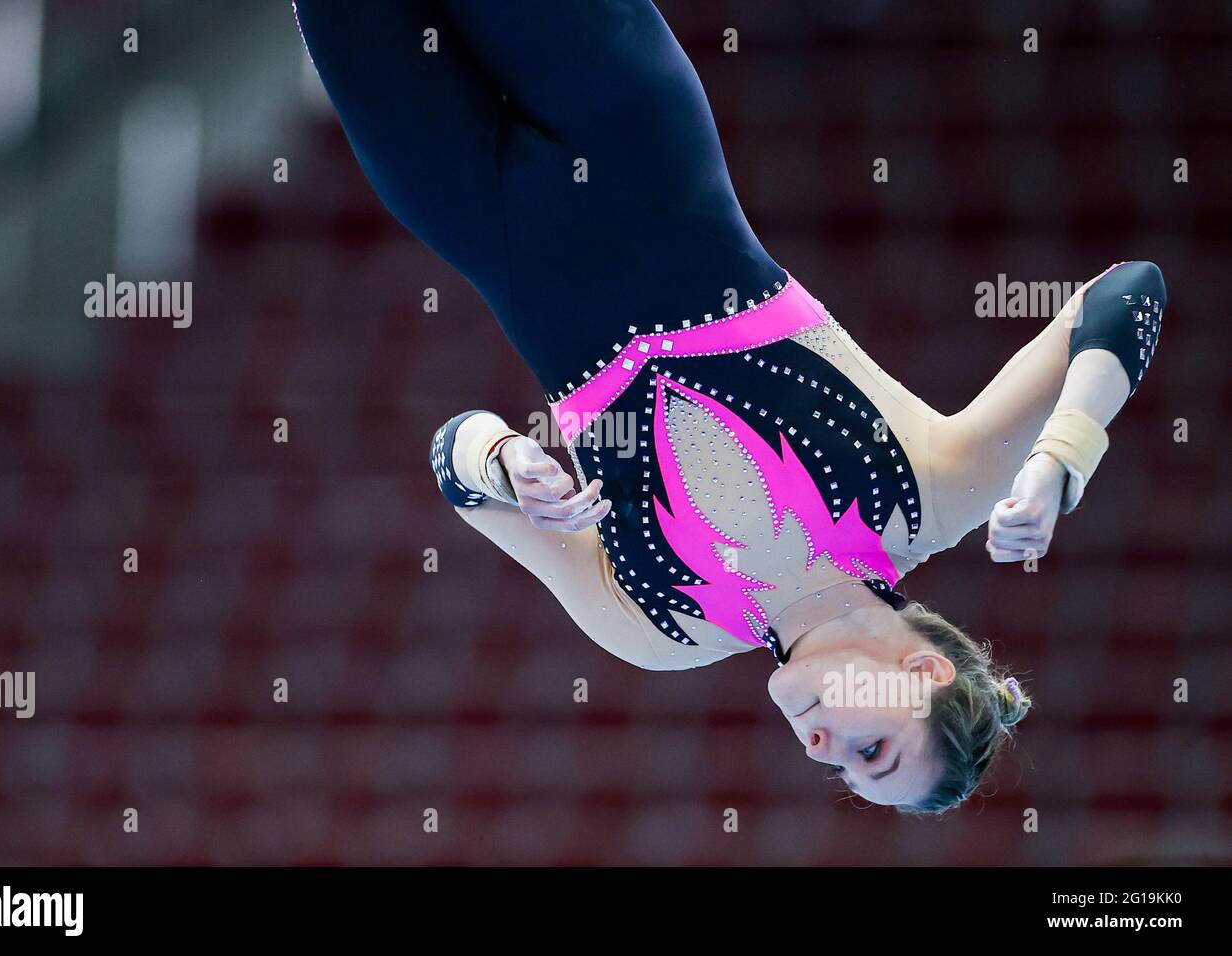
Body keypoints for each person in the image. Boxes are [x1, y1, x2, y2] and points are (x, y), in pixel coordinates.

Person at [294, 0, 1166, 811]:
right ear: (921, 671)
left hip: (475, 212)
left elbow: (455, 465)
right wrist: (1062, 458)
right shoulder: (935, 494)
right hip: (625, 124)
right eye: (871, 749)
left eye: (838, 770)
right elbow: (1128, 294)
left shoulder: (655, 631)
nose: (822, 744)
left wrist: (504, 463)